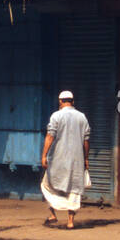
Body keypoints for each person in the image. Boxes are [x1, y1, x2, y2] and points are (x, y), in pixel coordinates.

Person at [40, 90, 90, 230]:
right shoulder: (82, 117)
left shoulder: (56, 115)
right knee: (74, 190)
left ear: (60, 102)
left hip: (58, 159)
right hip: (76, 160)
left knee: (47, 184)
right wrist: (86, 158)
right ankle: (70, 221)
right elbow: (86, 140)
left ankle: (53, 213)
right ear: (73, 102)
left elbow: (50, 136)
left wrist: (44, 155)